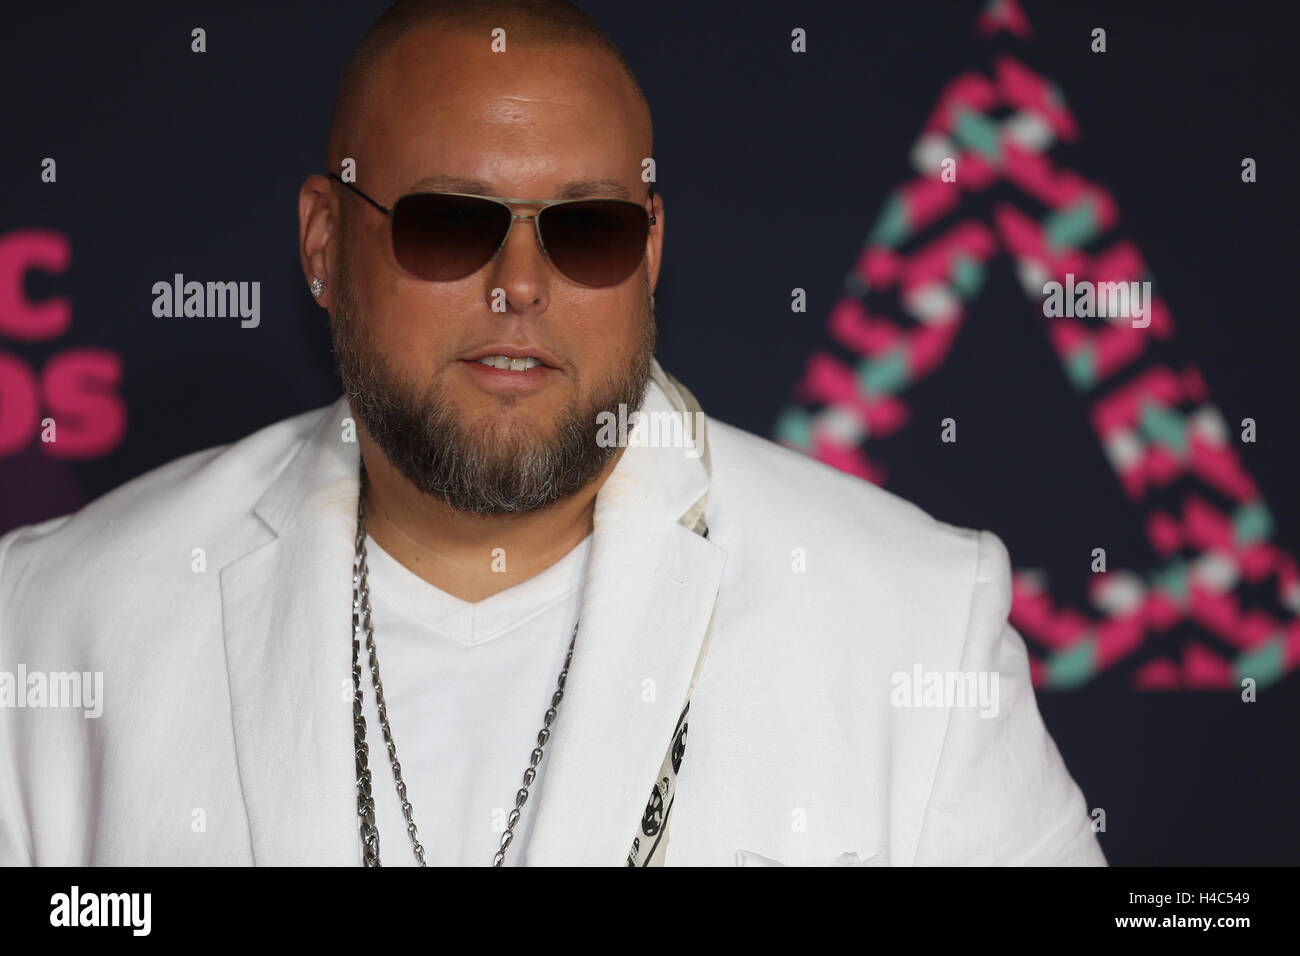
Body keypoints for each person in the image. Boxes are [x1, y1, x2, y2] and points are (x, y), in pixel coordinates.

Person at [0, 0, 1105, 866]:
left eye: (587, 228)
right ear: (325, 242)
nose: (520, 283)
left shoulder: (912, 619)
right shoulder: (57, 620)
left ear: (652, 248)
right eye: (451, 222)